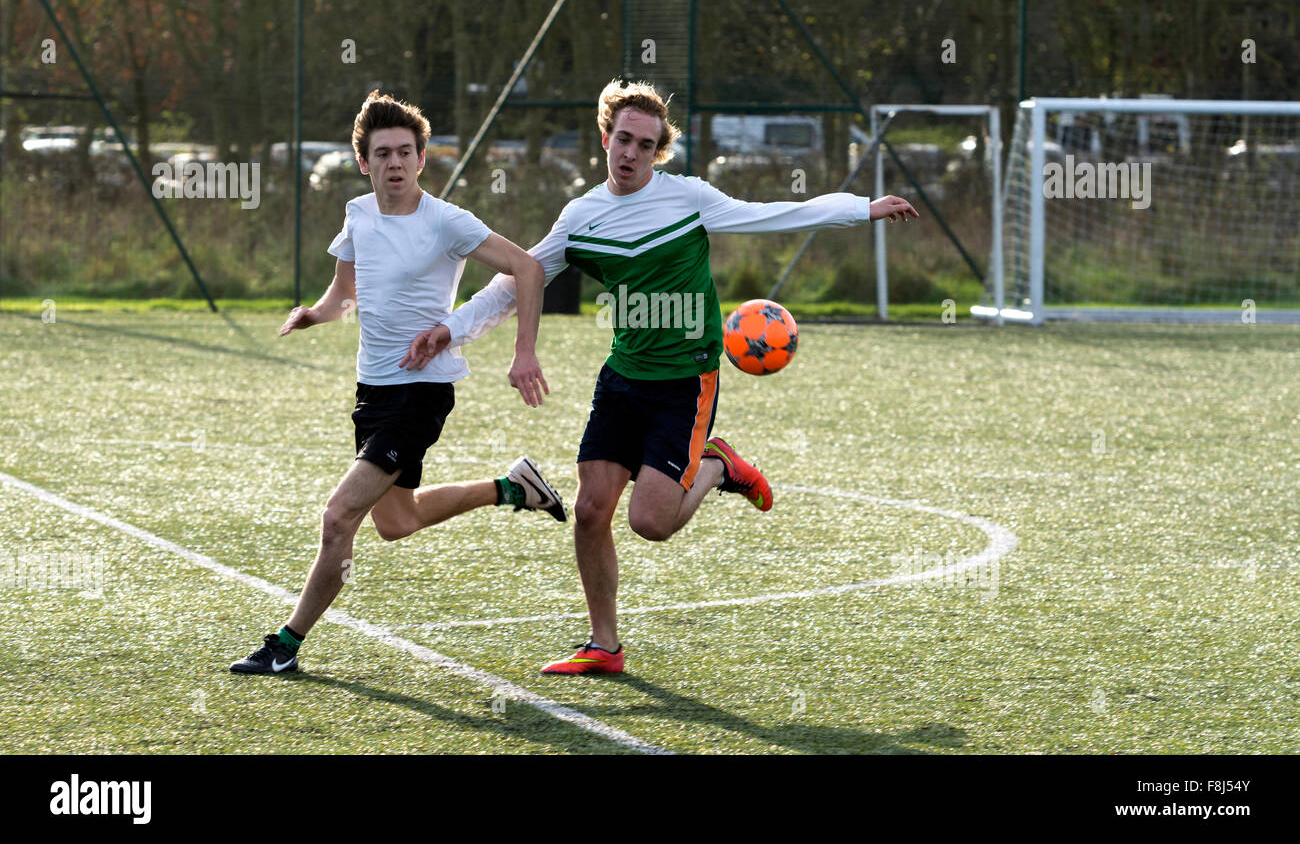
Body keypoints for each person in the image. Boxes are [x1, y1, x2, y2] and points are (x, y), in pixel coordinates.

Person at [411, 79, 919, 675]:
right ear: (605, 138)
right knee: (592, 510)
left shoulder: (689, 199)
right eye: (623, 139)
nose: (631, 153)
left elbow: (774, 215)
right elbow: (517, 280)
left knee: (650, 523)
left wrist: (862, 208)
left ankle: (717, 465)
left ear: (659, 153)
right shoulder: (581, 216)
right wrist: (452, 327)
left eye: (645, 145)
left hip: (686, 380)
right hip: (623, 378)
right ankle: (604, 645)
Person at [231, 90, 565, 675]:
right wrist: (316, 313)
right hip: (372, 392)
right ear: (364, 162)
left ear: (421, 158)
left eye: (404, 152)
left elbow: (528, 268)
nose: (394, 162)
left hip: (422, 391)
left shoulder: (447, 222)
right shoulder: (358, 214)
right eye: (382, 153)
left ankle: (285, 644)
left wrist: (525, 351)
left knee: (338, 518)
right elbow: (344, 295)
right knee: (397, 522)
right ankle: (512, 487)